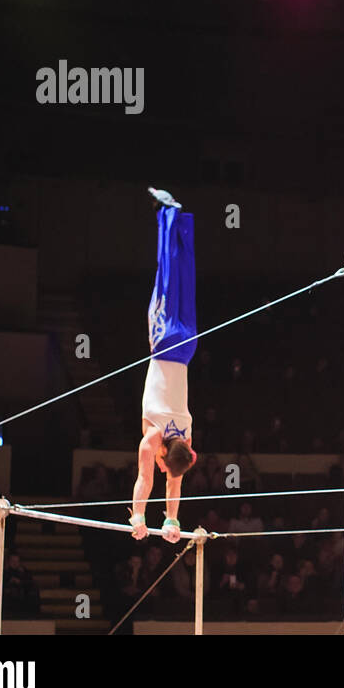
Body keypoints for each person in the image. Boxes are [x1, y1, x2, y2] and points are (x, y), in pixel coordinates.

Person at [131, 187, 199, 541]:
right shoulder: (153, 438)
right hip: (164, 341)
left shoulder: (185, 437)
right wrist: (139, 517)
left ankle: (180, 220)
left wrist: (173, 521)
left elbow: (175, 476)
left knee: (183, 279)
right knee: (166, 274)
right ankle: (168, 215)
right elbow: (147, 478)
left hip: (189, 345)